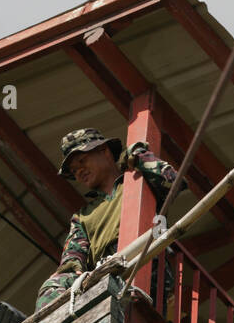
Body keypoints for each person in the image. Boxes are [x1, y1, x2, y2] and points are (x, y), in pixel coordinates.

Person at [36, 127, 179, 310]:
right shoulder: (82, 216)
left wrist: (139, 158)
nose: (79, 171)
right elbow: (73, 259)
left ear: (105, 152)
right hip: (106, 273)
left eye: (82, 160)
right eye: (73, 170)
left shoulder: (138, 178)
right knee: (56, 282)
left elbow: (173, 181)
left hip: (146, 263)